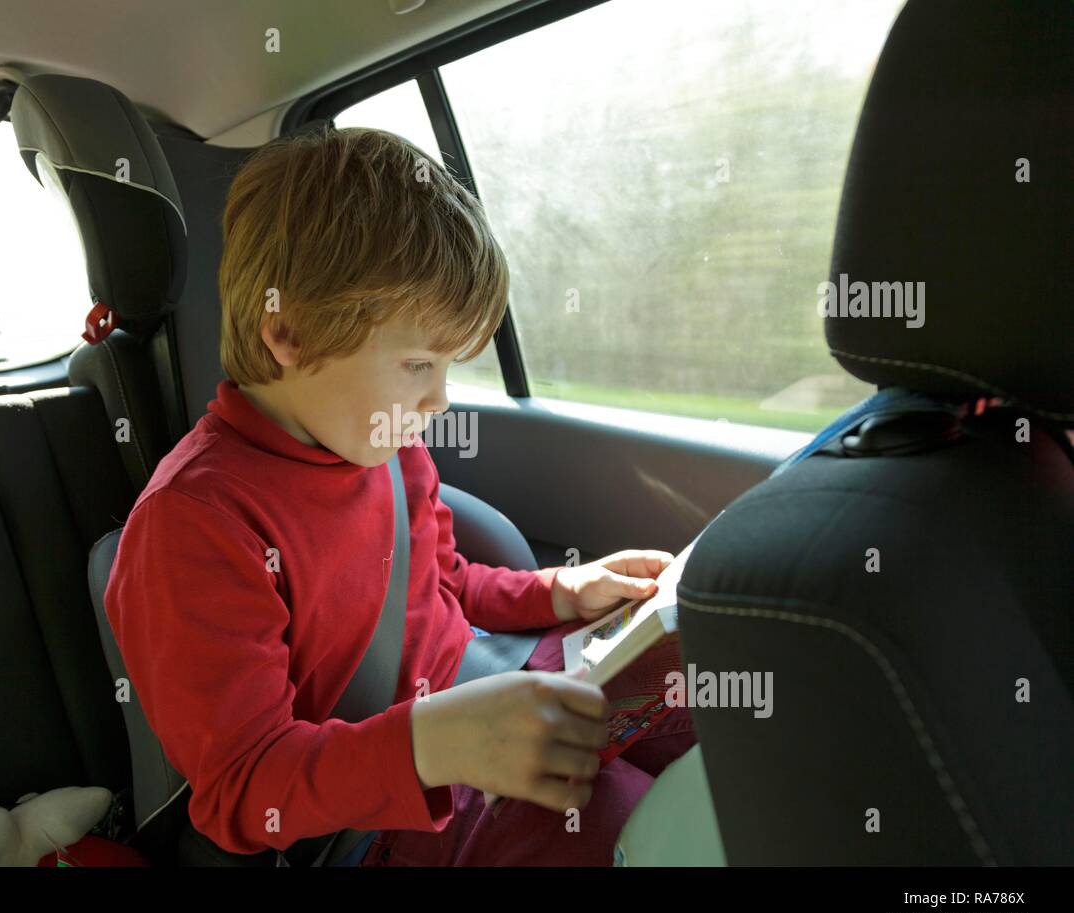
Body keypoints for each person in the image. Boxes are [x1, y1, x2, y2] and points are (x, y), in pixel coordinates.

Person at [104, 126, 695, 867]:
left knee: (701, 689)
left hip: (487, 689)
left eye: (447, 365)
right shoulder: (196, 526)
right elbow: (246, 788)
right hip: (386, 809)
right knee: (643, 832)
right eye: (419, 362)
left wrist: (562, 591)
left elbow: (445, 582)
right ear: (286, 332)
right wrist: (434, 743)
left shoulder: (387, 442)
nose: (441, 398)